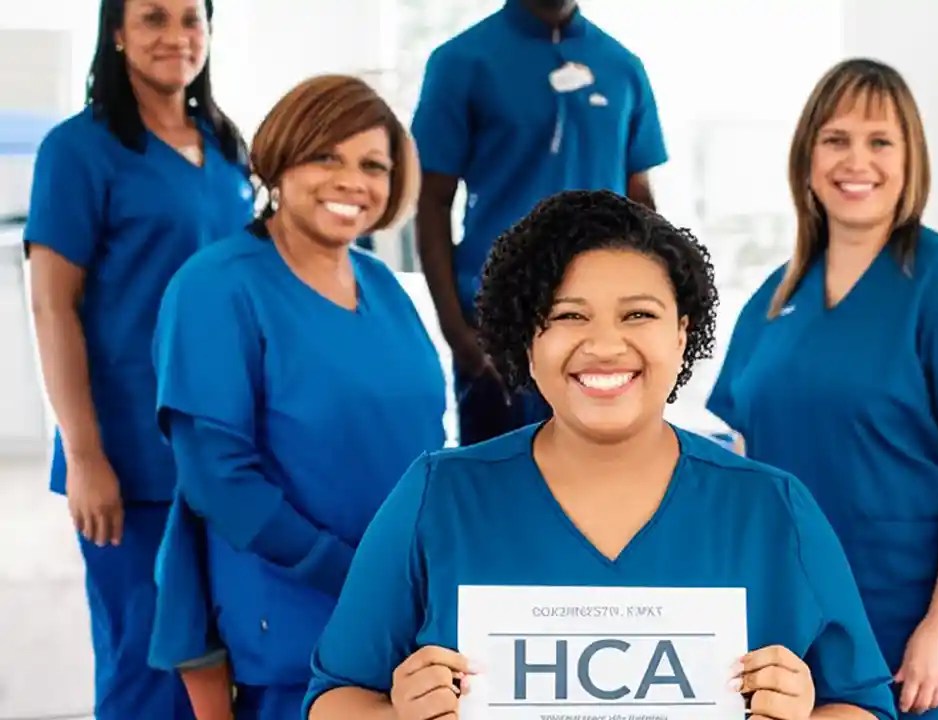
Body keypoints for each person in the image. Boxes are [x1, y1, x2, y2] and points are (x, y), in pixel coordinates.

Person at [303, 190, 899, 720]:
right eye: (568, 316)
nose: (606, 345)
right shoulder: (438, 497)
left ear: (681, 334)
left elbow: (863, 705)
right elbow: (333, 699)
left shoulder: (774, 509)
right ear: (525, 340)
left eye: (638, 314)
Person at [708, 59, 938, 718]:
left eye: (879, 141)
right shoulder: (772, 302)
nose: (854, 160)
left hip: (926, 625)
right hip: (810, 624)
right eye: (835, 139)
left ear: (909, 158)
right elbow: (748, 467)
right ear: (807, 156)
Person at [148, 74, 449, 720]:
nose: (352, 181)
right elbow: (220, 482)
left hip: (407, 619)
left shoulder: (384, 287)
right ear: (280, 161)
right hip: (291, 623)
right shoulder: (217, 287)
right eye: (325, 157)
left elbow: (429, 440)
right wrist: (356, 574)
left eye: (373, 165)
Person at [24, 1, 251, 717]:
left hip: (224, 446)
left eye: (192, 19)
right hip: (131, 453)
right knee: (148, 660)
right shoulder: (80, 149)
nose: (176, 37)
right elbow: (51, 305)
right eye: (153, 18)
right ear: (117, 33)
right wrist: (86, 454)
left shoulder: (224, 145)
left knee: (226, 657)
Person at [411, 0, 669, 446]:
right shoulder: (461, 62)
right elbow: (431, 202)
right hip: (498, 331)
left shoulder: (622, 66)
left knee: (605, 493)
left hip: (603, 329)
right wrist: (460, 338)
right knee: (497, 495)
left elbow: (641, 201)